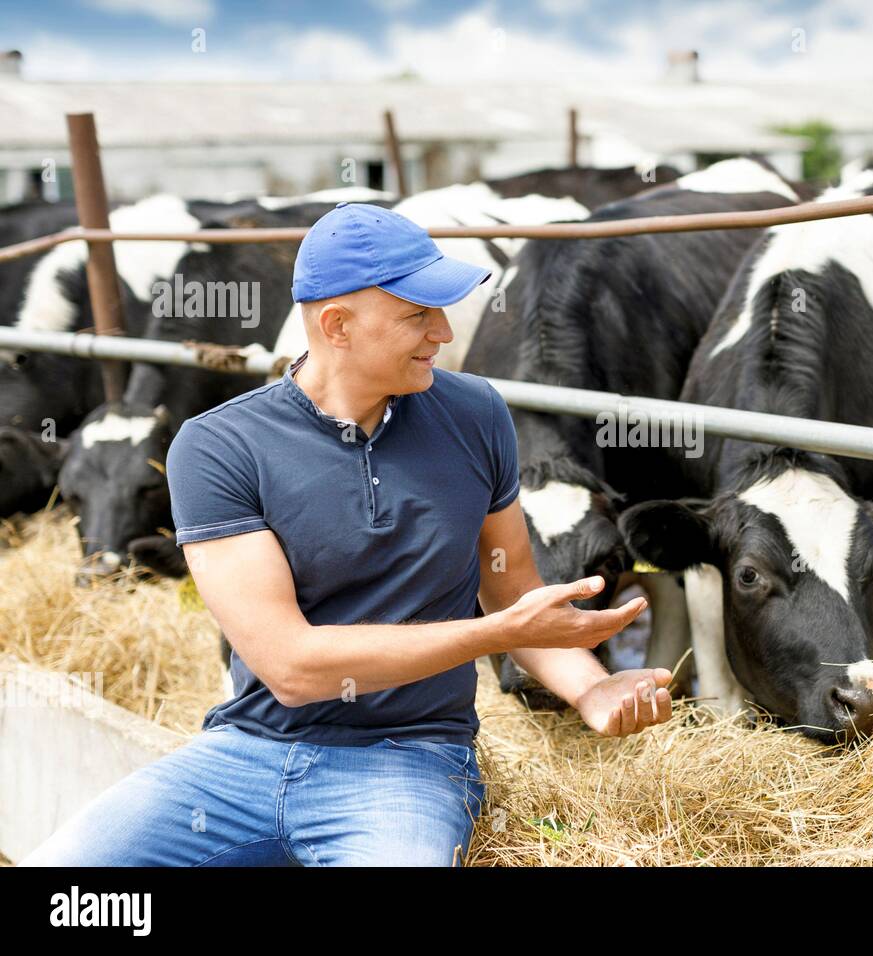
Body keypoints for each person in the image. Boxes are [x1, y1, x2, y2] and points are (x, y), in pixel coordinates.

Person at [21, 202, 672, 867]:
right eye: (418, 315)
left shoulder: (476, 415)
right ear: (337, 325)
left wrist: (591, 687)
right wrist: (496, 636)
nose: (444, 333)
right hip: (243, 758)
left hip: (408, 764)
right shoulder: (218, 446)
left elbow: (512, 592)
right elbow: (292, 667)